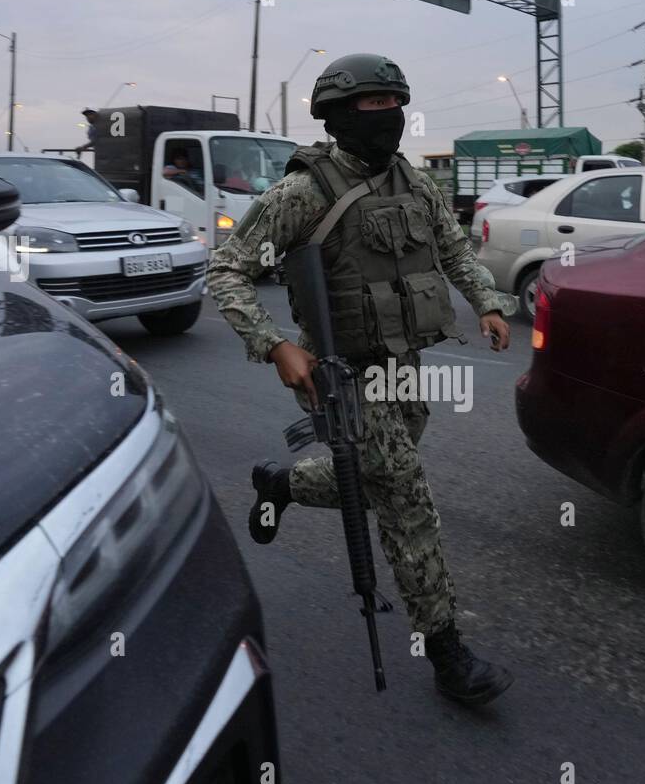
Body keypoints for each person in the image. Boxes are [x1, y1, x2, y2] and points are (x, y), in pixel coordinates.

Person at [206, 53, 517, 706]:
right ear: (339, 117)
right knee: (404, 492)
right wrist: (276, 347)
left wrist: (486, 299)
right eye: (370, 107)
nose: (386, 118)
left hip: (403, 362)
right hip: (341, 372)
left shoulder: (413, 181)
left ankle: (281, 482)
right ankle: (446, 649)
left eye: (392, 104)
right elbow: (227, 270)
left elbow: (454, 248)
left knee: (374, 480)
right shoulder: (304, 192)